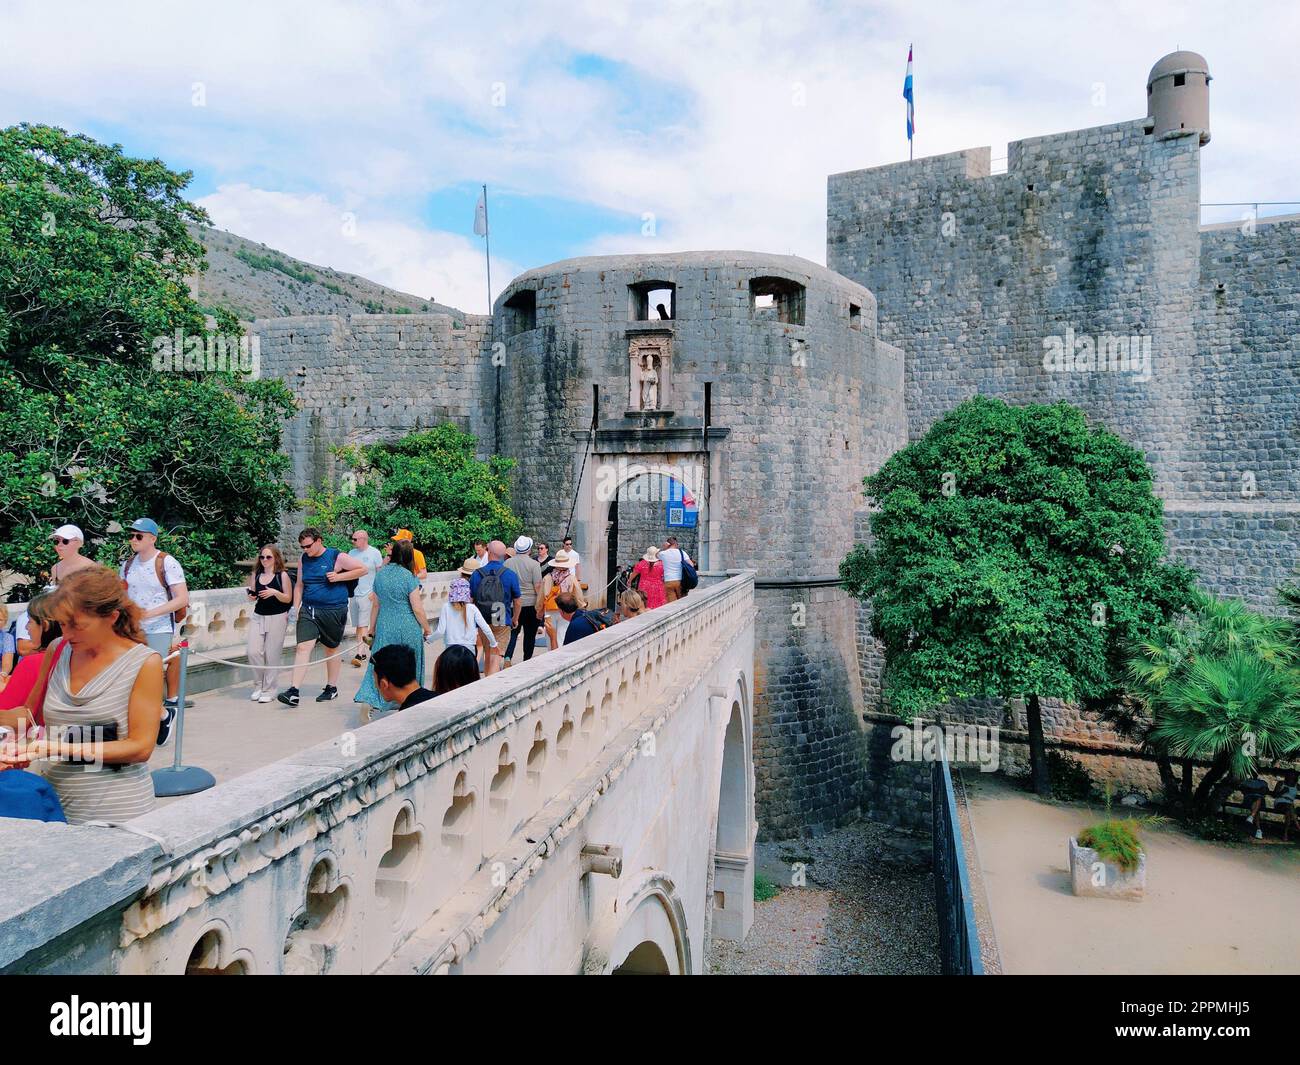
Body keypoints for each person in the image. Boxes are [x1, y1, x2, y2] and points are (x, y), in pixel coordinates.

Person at [0, 567, 164, 825]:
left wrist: (52, 747)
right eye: (63, 624)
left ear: (111, 617)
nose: (67, 634)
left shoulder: (144, 662)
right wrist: (20, 747)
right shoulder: (58, 649)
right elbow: (29, 714)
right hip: (55, 802)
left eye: (77, 626)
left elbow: (140, 747)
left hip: (117, 809)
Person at [278, 528, 368, 707]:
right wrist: (295, 608)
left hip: (333, 609)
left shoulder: (336, 556)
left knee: (331, 649)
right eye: (302, 547)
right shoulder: (304, 559)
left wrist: (339, 576)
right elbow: (300, 585)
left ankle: (331, 687)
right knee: (303, 647)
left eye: (308, 546)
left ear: (319, 540)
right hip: (309, 609)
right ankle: (293, 691)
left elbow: (362, 569)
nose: (305, 550)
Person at [120, 518, 189, 729]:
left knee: (152, 675)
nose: (133, 540)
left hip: (158, 627)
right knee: (131, 674)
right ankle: (146, 718)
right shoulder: (127, 564)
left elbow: (181, 598)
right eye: (131, 535)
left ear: (152, 538)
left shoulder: (167, 562)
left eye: (138, 536)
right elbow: (122, 594)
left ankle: (156, 719)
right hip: (132, 629)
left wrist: (150, 613)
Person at [355, 540, 431, 718]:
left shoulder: (380, 575)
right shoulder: (409, 577)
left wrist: (371, 629)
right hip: (407, 626)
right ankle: (406, 700)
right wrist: (427, 629)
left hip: (384, 625)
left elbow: (376, 605)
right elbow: (417, 609)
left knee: (380, 663)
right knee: (408, 664)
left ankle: (371, 698)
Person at [0, 594, 63, 726]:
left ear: (45, 625)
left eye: (29, 622)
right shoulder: (76, 657)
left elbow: (7, 708)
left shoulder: (33, 663)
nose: (26, 628)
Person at [246, 544, 293, 704]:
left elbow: (288, 598)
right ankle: (259, 685)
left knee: (272, 654)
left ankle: (270, 689)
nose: (265, 560)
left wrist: (275, 592)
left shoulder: (282, 576)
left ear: (275, 558)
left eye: (268, 557)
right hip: (259, 615)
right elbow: (253, 593)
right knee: (253, 651)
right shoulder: (256, 574)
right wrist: (251, 595)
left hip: (278, 617)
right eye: (262, 557)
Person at [469, 540, 522, 676]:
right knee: (497, 655)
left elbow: (471, 600)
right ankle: (491, 685)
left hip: (482, 617)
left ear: (489, 553)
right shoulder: (510, 574)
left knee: (488, 654)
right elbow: (517, 601)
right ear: (504, 555)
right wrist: (515, 618)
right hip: (501, 615)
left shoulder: (477, 574)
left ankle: (487, 680)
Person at [504, 535, 543, 664]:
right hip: (530, 604)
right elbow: (538, 586)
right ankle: (526, 660)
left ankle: (507, 658)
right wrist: (541, 605)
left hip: (513, 603)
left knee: (513, 633)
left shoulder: (507, 563)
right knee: (530, 635)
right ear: (529, 549)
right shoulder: (534, 564)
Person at [347, 529, 384, 667]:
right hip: (354, 593)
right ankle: (362, 651)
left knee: (364, 625)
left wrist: (375, 592)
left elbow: (380, 574)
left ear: (363, 539)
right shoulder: (351, 553)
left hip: (368, 594)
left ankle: (360, 652)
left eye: (355, 539)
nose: (353, 541)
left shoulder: (375, 553)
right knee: (358, 625)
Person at [435, 573, 496, 654]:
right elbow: (485, 628)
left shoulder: (446, 607)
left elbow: (440, 631)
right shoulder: (472, 608)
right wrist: (493, 643)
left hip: (450, 649)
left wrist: (429, 639)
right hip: (469, 649)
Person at [370, 643, 436, 712]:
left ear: (384, 684)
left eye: (375, 681)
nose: (375, 685)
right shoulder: (440, 697)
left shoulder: (406, 716)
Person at [541, 549, 584, 648]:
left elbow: (542, 596)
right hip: (566, 608)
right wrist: (580, 606)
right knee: (562, 635)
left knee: (549, 636)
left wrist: (539, 609)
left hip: (550, 609)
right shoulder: (571, 578)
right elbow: (577, 594)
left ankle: (551, 655)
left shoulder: (548, 577)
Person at [659, 536, 695, 603]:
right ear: (675, 544)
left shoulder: (663, 553)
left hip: (668, 581)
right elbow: (691, 565)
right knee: (682, 602)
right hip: (681, 581)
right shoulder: (682, 553)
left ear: (667, 544)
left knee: (672, 604)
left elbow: (656, 555)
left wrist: (664, 548)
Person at [630, 546, 667, 610]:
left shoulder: (642, 563)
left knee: (644, 603)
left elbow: (634, 574)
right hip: (658, 587)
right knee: (657, 606)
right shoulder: (662, 564)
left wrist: (629, 581)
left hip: (644, 587)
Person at [1274, 769, 1298, 843]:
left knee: (1288, 811)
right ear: (1287, 775)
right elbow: (1274, 795)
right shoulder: (1281, 783)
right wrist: (1282, 792)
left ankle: (1285, 834)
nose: (1291, 776)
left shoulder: (1296, 785)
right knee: (1290, 807)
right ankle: (1297, 825)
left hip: (1289, 805)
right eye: (1290, 774)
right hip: (1280, 802)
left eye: (1293, 774)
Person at [0, 605, 14, 686]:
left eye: (0, 619)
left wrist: (3, 674)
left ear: (5, 622)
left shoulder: (7, 638)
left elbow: (7, 664)